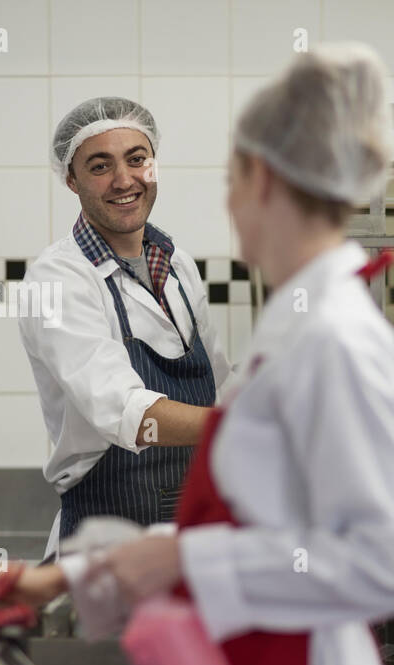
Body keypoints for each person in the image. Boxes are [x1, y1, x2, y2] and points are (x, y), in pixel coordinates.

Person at [3, 45, 394, 665]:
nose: (228, 204)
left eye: (234, 182)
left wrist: (183, 566)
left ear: (266, 182)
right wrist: (101, 572)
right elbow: (139, 420)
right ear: (73, 179)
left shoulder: (332, 336)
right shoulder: (299, 322)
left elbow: (390, 562)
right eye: (102, 165)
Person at [20, 97, 236, 557]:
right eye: (100, 166)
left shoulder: (177, 264)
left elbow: (218, 382)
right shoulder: (57, 279)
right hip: (106, 546)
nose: (124, 180)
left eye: (137, 160)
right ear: (72, 179)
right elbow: (126, 413)